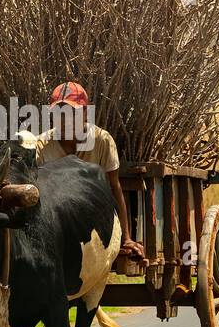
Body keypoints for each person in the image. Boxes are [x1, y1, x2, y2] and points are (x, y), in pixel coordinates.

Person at [32, 81, 145, 260]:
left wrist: (127, 238)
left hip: (94, 225)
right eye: (58, 113)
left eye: (71, 113)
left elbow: (115, 188)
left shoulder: (102, 141)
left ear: (85, 112)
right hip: (55, 223)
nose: (64, 119)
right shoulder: (40, 144)